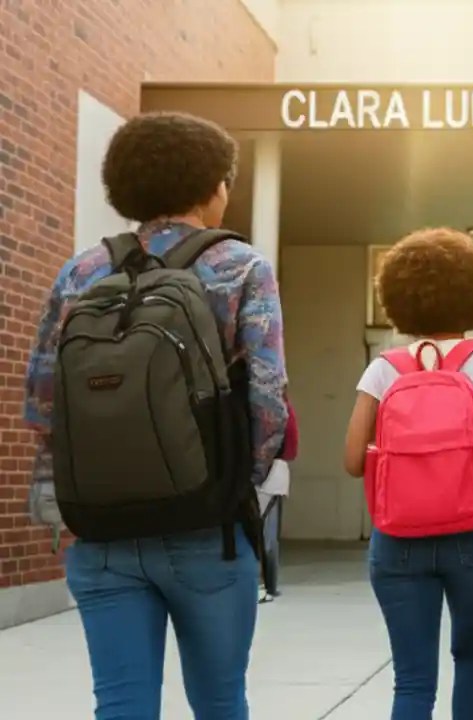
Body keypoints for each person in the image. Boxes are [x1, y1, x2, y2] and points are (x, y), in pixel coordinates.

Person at [23, 112, 287, 719]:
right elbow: (268, 403)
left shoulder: (82, 272)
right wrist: (232, 487)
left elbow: (41, 404)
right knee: (220, 702)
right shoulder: (241, 267)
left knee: (121, 706)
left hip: (103, 533)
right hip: (208, 530)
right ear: (210, 185)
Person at [343, 227, 473, 720]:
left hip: (398, 537)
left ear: (397, 297)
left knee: (411, 679)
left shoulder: (384, 368)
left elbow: (351, 461)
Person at [259, 394, 299, 602]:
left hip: (258, 473)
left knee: (256, 533)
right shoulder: (284, 407)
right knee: (269, 535)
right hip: (276, 473)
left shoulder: (253, 403)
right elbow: (292, 444)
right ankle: (269, 584)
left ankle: (260, 583)